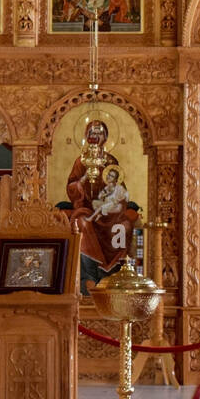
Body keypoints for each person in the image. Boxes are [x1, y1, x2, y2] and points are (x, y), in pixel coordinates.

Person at [65, 120, 140, 293]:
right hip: (85, 208)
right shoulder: (80, 161)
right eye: (92, 132)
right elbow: (71, 187)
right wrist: (83, 180)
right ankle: (87, 278)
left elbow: (121, 187)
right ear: (86, 136)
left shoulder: (110, 160)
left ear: (105, 137)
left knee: (124, 226)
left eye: (99, 133)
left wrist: (115, 202)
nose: (95, 136)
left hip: (109, 212)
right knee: (82, 225)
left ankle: (115, 275)